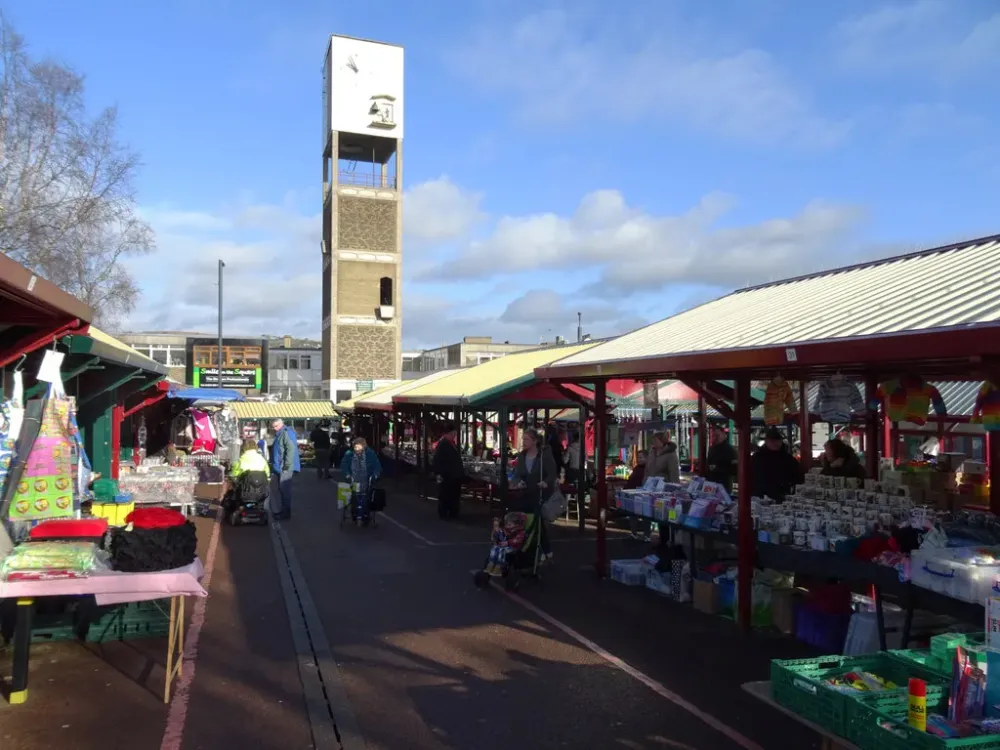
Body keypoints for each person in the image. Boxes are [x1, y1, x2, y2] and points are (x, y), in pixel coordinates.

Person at [511, 428, 556, 561]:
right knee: (529, 521)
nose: (523, 442)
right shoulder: (521, 456)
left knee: (537, 521)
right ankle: (535, 549)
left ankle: (544, 550)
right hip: (526, 494)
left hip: (540, 494)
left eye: (526, 439)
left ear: (535, 441)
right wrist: (518, 482)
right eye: (523, 439)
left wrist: (545, 482)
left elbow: (552, 473)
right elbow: (517, 474)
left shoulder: (544, 456)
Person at [751, 426, 803, 501]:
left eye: (777, 440)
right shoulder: (757, 457)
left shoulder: (788, 459)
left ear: (781, 442)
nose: (775, 443)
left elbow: (797, 478)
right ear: (766, 442)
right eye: (772, 441)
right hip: (760, 496)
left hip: (781, 497)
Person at [340, 436, 382, 523]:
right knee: (353, 497)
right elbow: (344, 465)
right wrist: (347, 474)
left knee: (367, 497)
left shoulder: (370, 454)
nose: (357, 449)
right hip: (353, 479)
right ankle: (354, 513)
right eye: (355, 447)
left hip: (366, 479)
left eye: (359, 446)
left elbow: (377, 466)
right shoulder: (349, 454)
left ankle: (366, 514)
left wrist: (375, 474)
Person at [226, 438, 270, 517]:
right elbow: (267, 473)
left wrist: (231, 475)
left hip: (245, 492)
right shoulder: (262, 459)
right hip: (260, 492)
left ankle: (233, 511)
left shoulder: (241, 460)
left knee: (232, 488)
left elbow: (234, 474)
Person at [270, 419, 301, 520]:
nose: (275, 428)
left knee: (285, 490)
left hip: (284, 467)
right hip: (280, 466)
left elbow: (291, 449)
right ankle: (284, 511)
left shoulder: (286, 433)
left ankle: (285, 513)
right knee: (282, 489)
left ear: (281, 424)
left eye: (276, 426)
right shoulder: (281, 434)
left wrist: (286, 465)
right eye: (273, 426)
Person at [432, 422, 464, 520]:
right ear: (449, 433)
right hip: (447, 476)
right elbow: (438, 460)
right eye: (454, 433)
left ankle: (450, 513)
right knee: (447, 495)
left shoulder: (449, 443)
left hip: (452, 475)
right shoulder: (443, 444)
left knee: (451, 495)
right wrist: (439, 474)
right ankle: (446, 514)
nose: (455, 435)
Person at [704, 427, 737, 493]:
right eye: (714, 436)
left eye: (718, 435)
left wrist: (717, 468)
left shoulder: (730, 450)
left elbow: (735, 469)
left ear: (724, 435)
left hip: (723, 484)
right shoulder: (712, 448)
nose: (715, 438)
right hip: (711, 483)